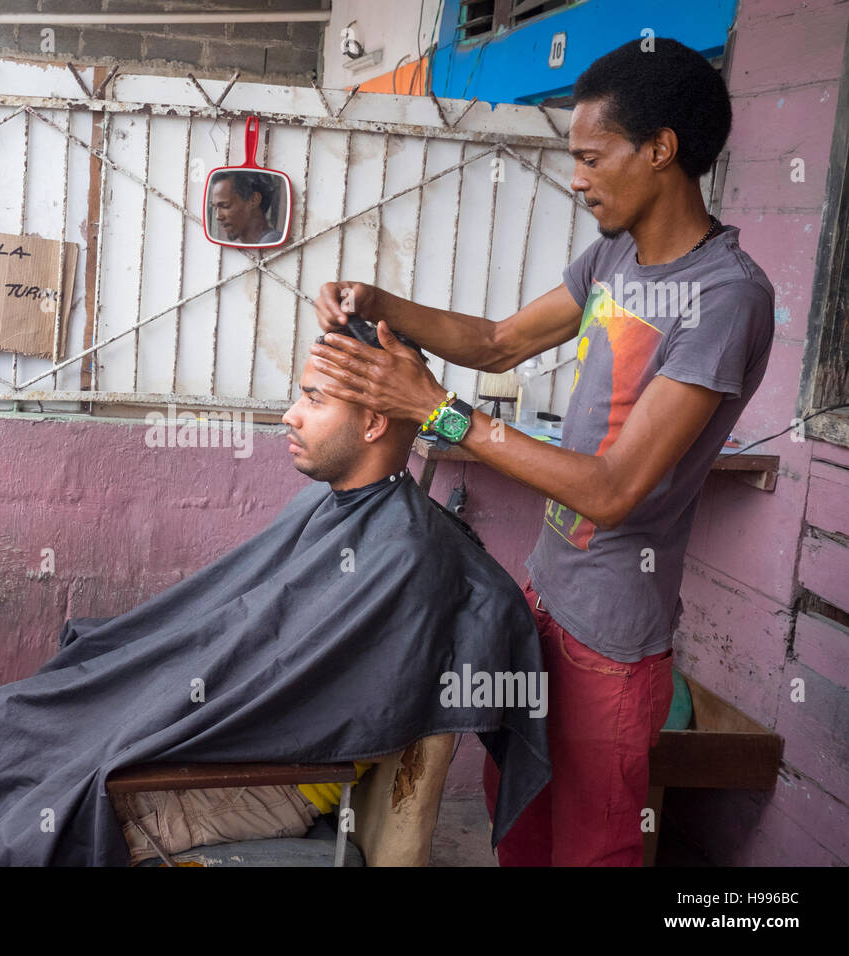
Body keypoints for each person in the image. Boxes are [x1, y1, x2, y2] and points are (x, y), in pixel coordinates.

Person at [310, 38, 774, 867]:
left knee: (591, 850)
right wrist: (382, 302)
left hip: (615, 644)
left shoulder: (725, 298)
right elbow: (493, 343)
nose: (578, 177)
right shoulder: (612, 259)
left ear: (660, 150)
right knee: (516, 815)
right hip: (547, 605)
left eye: (592, 157)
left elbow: (614, 490)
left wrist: (441, 414)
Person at [0, 320, 550, 866]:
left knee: (36, 816)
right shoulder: (339, 510)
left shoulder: (402, 556)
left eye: (313, 400)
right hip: (226, 728)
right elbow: (248, 640)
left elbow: (300, 707)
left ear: (377, 421)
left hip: (262, 774)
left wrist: (139, 723)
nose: (289, 416)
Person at [208, 170, 281, 244]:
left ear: (254, 200)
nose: (218, 216)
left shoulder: (271, 242)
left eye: (224, 206)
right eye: (215, 208)